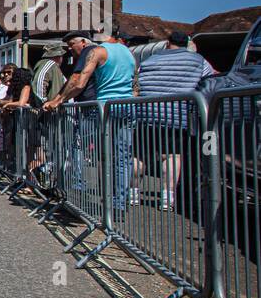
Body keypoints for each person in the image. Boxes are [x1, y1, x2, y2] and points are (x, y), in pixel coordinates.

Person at [43, 28, 136, 211]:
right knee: (123, 157)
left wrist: (58, 101)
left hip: (104, 108)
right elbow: (134, 83)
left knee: (104, 156)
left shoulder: (98, 51)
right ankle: (119, 203)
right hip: (127, 107)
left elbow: (79, 82)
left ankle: (110, 203)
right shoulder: (128, 53)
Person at [131, 30, 215, 211]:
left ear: (168, 43)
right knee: (171, 157)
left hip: (146, 115)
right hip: (177, 117)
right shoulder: (199, 61)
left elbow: (138, 83)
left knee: (139, 156)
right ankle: (167, 199)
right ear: (187, 44)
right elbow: (210, 82)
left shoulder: (149, 60)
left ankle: (133, 194)